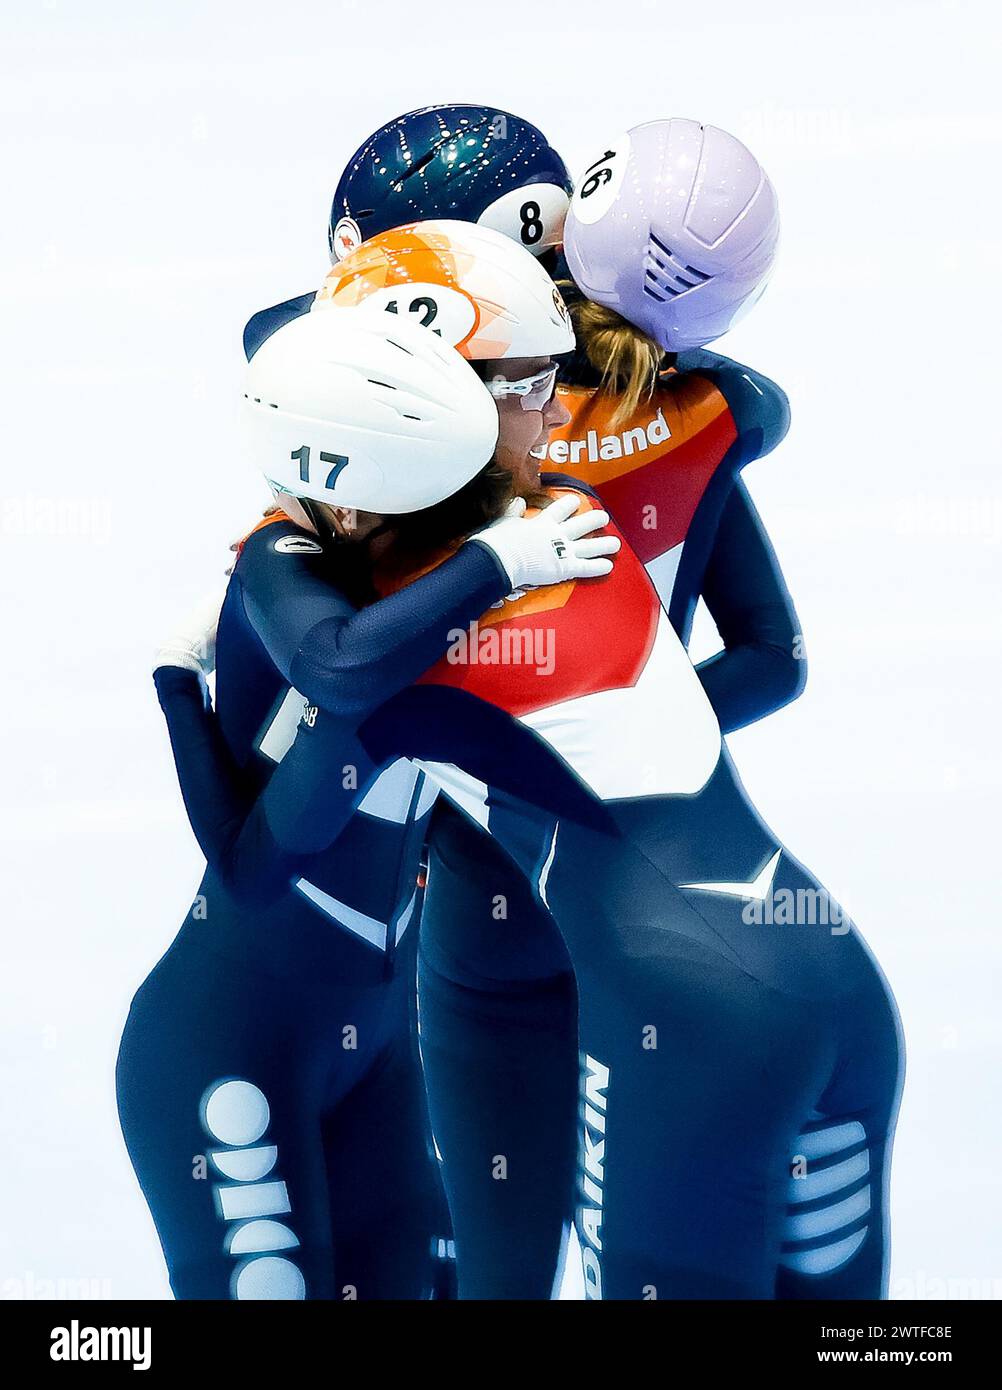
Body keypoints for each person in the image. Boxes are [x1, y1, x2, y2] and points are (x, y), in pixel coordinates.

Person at [155, 275, 903, 1299]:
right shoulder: (577, 514)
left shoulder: (396, 670)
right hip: (829, 975)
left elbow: (253, 864)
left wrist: (175, 686)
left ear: (337, 497)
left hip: (688, 1028)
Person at [116, 308, 616, 1300]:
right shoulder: (296, 584)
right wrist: (499, 565)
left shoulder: (381, 593)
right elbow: (264, 848)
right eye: (434, 530)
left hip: (375, 1046)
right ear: (355, 516)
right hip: (230, 1053)